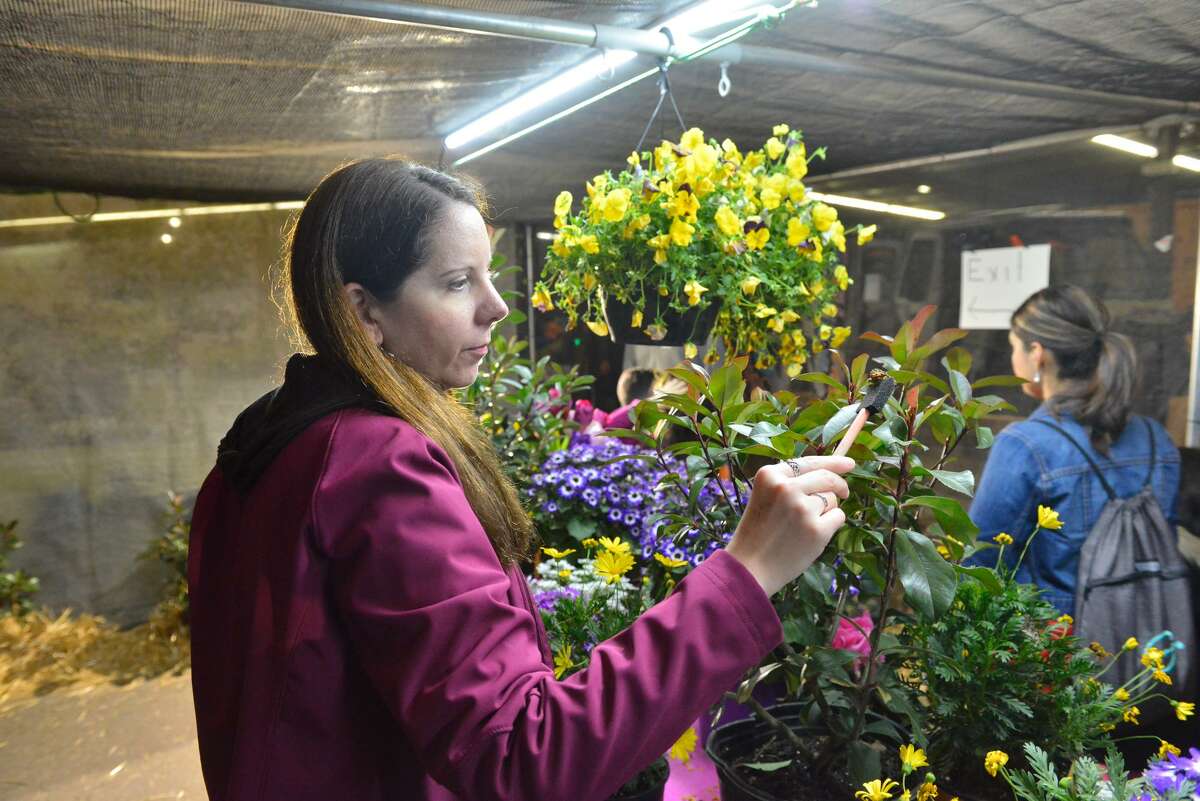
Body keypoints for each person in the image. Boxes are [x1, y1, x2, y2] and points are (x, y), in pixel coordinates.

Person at [186, 158, 854, 801]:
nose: (497, 306)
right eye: (456, 282)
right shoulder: (380, 465)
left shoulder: (267, 436)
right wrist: (748, 570)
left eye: (488, 274)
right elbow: (520, 756)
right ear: (364, 310)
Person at [969, 285, 1180, 616]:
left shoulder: (1025, 445)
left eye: (1013, 347)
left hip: (1056, 651)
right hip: (1149, 642)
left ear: (1036, 353)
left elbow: (980, 565)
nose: (1012, 358)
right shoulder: (1157, 439)